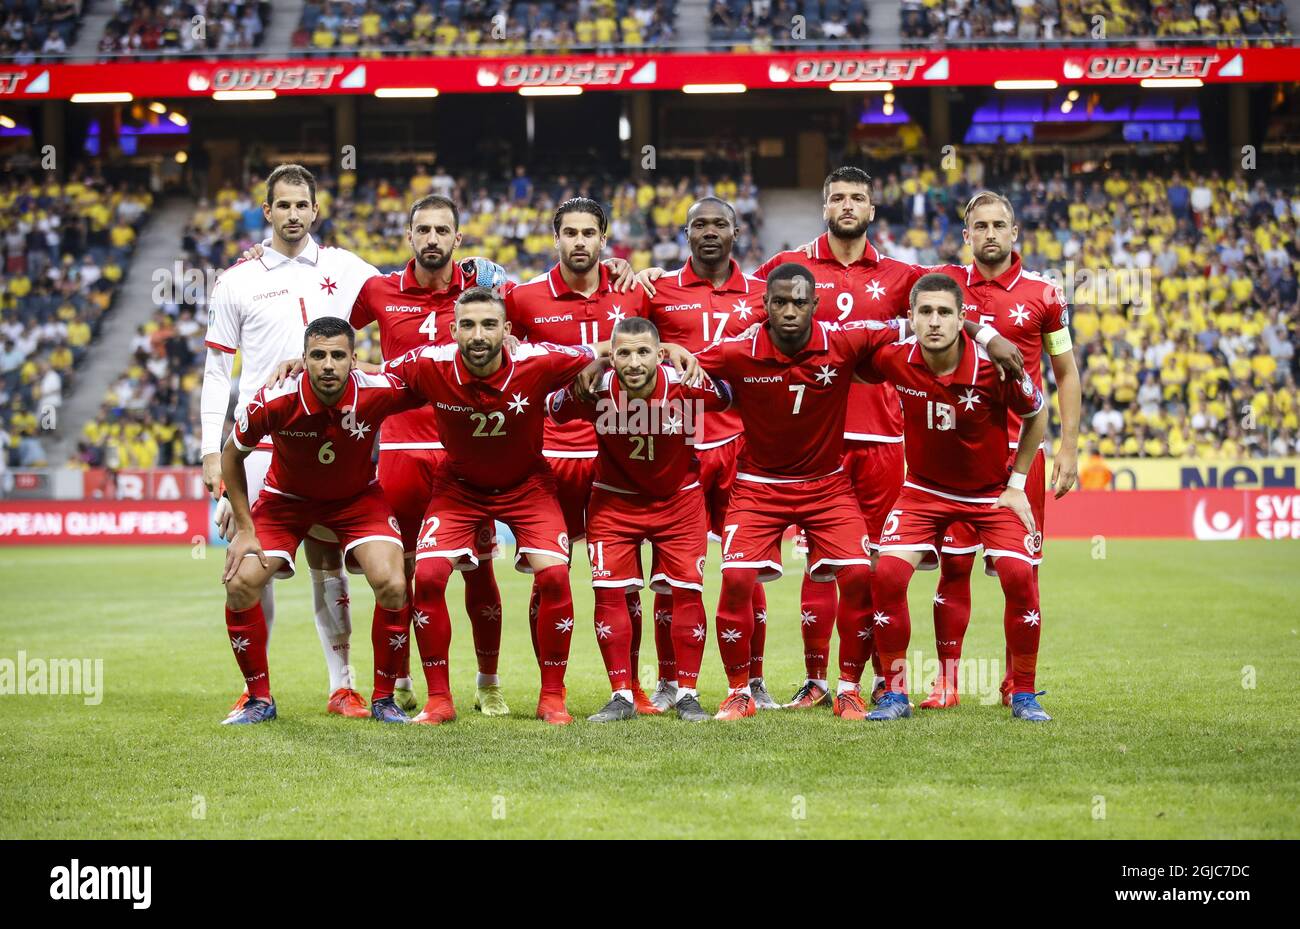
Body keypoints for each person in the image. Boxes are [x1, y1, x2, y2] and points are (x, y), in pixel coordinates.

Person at [693, 263, 911, 721]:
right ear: (765, 307)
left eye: (798, 302)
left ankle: (848, 688)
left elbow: (918, 323)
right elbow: (683, 366)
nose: (789, 310)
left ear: (815, 304)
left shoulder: (844, 341)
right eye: (779, 302)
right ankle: (738, 693)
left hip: (827, 486)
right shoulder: (737, 351)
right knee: (735, 580)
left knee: (856, 576)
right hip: (758, 487)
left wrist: (983, 334)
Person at [202, 163, 380, 719]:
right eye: (284, 205)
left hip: (329, 438)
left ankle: (343, 685)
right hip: (256, 446)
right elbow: (215, 370)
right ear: (268, 211)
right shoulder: (237, 279)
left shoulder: (346, 268)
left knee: (328, 558)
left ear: (316, 210)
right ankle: (259, 692)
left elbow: (407, 306)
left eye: (303, 205)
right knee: (255, 560)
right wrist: (212, 450)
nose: (295, 214)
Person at [382, 288, 606, 725]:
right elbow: (369, 376)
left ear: (507, 331)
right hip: (459, 486)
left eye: (489, 325)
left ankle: (553, 697)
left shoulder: (539, 359)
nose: (478, 334)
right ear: (453, 332)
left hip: (528, 484)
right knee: (427, 576)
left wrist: (666, 348)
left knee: (556, 574)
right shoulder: (428, 363)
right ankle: (439, 700)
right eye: (468, 325)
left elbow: (602, 349)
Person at [856, 273, 1051, 723]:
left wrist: (1016, 484)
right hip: (922, 491)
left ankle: (1023, 693)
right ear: (912, 318)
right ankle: (895, 692)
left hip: (989, 496)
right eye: (925, 312)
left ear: (963, 319)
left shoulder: (994, 367)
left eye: (945, 312)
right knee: (886, 576)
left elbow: (1037, 413)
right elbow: (854, 350)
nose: (935, 321)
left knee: (1020, 580)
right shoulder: (894, 358)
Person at [348, 194, 510, 717]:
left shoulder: (485, 295)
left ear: (457, 238)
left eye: (443, 230)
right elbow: (335, 339)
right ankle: (397, 683)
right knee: (403, 576)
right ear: (410, 236)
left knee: (479, 572)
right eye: (424, 230)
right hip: (399, 451)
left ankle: (488, 682)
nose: (433, 239)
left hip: (465, 452)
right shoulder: (379, 292)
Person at [921, 190, 1080, 709]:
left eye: (999, 225)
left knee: (1021, 574)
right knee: (955, 567)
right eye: (980, 226)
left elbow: (1065, 373)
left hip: (1020, 455)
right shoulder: (946, 286)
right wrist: (980, 329)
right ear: (966, 236)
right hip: (957, 453)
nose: (990, 234)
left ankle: (1019, 685)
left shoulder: (1045, 293)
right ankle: (946, 681)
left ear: (1015, 234)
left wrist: (1070, 448)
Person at [503, 198, 662, 713]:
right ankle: (554, 692)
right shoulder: (524, 300)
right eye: (569, 232)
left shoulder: (635, 294)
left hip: (617, 457)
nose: (579, 241)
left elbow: (667, 343)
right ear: (555, 238)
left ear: (604, 240)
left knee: (625, 581)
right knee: (549, 575)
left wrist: (651, 270)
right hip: (548, 457)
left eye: (588, 233)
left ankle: (631, 686)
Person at [219, 318, 416, 725]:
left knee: (394, 584)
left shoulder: (378, 390)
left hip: (357, 499)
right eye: (318, 355)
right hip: (285, 502)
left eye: (338, 356)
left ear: (353, 360)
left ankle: (384, 700)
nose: (328, 365)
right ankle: (259, 699)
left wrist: (379, 368)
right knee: (240, 583)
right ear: (303, 359)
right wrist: (245, 528)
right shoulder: (274, 398)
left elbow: (429, 377)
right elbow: (231, 455)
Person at [547, 316, 732, 722]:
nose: (633, 362)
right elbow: (554, 410)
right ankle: (622, 696)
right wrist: (579, 374)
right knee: (609, 593)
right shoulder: (596, 389)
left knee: (686, 593)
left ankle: (687, 694)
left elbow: (728, 395)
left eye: (643, 352)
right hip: (614, 503)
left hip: (679, 501)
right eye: (624, 353)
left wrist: (694, 360)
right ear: (612, 356)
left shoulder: (685, 386)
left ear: (660, 354)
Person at [638, 196, 770, 712]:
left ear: (737, 231)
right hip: (678, 445)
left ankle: (751, 681)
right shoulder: (658, 290)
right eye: (699, 224)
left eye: (719, 223)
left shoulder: (762, 294)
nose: (709, 231)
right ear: (685, 233)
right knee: (674, 574)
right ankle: (670, 682)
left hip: (743, 446)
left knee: (745, 569)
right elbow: (625, 338)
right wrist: (627, 269)